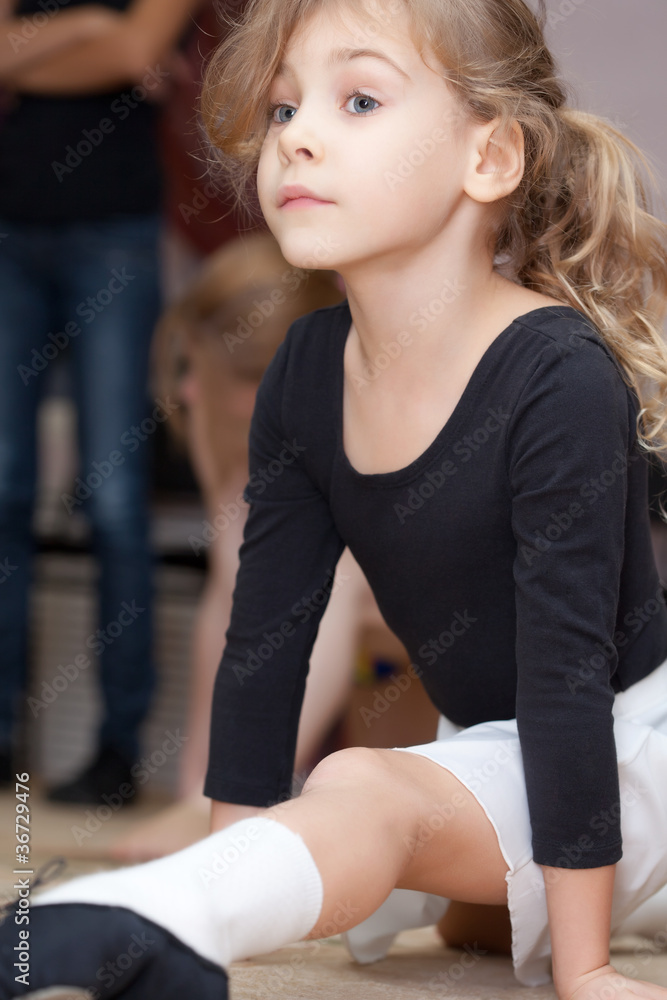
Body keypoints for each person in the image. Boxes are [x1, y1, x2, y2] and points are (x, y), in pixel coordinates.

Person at [2, 1, 667, 998]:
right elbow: (265, 639)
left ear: (488, 158)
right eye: (282, 111)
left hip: (631, 748)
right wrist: (228, 862)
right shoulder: (308, 371)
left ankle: (102, 925)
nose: (298, 136)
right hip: (499, 747)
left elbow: (568, 681)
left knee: (358, 779)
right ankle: (195, 911)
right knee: (437, 886)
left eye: (358, 99)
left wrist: (582, 970)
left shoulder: (556, 377)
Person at [109, 231, 402, 861]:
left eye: (217, 375)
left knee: (333, 580)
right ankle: (220, 797)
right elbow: (227, 609)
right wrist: (197, 789)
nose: (186, 393)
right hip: (374, 658)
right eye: (185, 368)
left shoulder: (353, 419)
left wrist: (235, 799)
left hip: (420, 646)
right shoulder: (233, 453)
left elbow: (319, 606)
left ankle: (249, 797)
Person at [0, 0, 202, 799]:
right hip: (9, 232)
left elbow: (138, 46)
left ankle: (117, 751)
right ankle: (4, 738)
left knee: (116, 501)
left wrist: (31, 52)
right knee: (2, 490)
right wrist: (90, 28)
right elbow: (115, 47)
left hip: (114, 233)